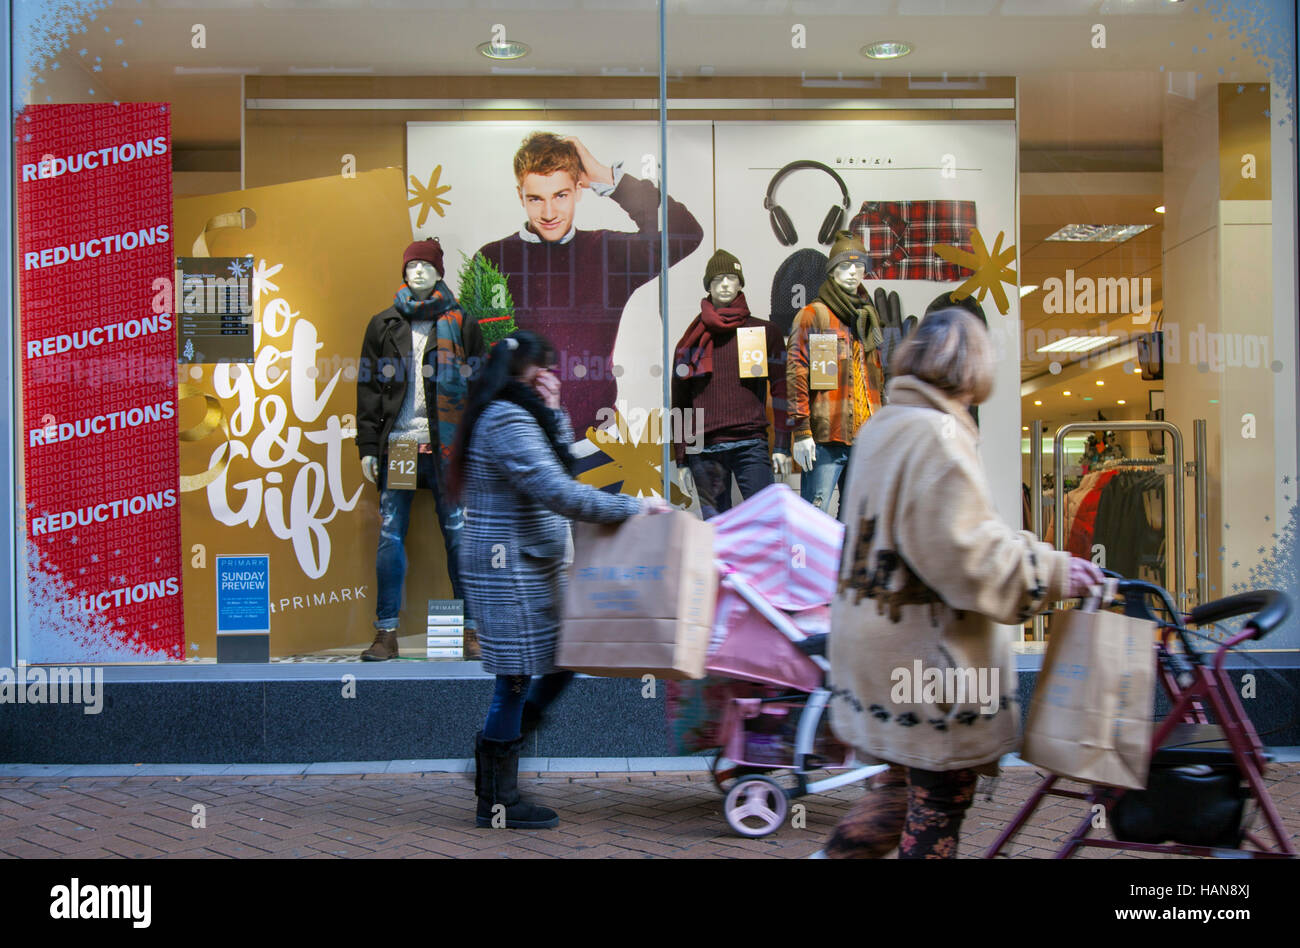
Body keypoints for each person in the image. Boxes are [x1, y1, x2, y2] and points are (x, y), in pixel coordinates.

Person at [822, 308, 1104, 858]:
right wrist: (1051, 572)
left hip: (877, 654)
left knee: (894, 798)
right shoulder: (938, 436)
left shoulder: (884, 425)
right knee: (939, 808)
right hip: (931, 667)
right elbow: (967, 557)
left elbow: (916, 537)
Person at [448, 330, 671, 829]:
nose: (549, 376)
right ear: (519, 372)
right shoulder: (506, 417)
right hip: (508, 570)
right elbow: (557, 490)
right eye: (540, 368)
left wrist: (555, 410)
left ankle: (491, 770)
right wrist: (636, 507)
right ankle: (498, 799)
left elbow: (559, 463)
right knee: (516, 678)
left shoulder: (522, 412)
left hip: (530, 566)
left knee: (561, 661)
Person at [472, 131, 703, 441]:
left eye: (560, 195)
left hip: (598, 447)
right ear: (520, 195)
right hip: (521, 446)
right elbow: (474, 356)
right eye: (536, 199)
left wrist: (608, 179)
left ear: (579, 189)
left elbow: (686, 232)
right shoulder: (492, 259)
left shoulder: (607, 253)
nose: (550, 212)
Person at [356, 238, 475, 661]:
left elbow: (479, 387)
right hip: (403, 444)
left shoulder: (461, 322)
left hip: (447, 449)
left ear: (440, 271)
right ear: (403, 272)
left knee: (460, 536)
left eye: (427, 265)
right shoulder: (384, 324)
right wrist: (369, 446)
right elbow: (369, 388)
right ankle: (385, 632)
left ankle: (472, 629)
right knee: (391, 535)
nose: (419, 272)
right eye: (412, 266)